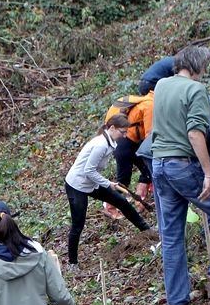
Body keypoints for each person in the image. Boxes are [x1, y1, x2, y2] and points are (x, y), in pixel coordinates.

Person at [151, 45, 210, 305]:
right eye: (206, 67)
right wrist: (206, 172)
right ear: (198, 66)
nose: (205, 72)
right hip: (182, 164)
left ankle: (177, 300)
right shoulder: (196, 90)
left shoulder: (162, 85)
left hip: (159, 166)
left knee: (170, 236)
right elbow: (194, 134)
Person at [64, 114, 151, 267]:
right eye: (122, 132)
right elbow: (89, 170)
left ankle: (147, 230)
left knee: (122, 202)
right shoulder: (101, 145)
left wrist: (105, 183)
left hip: (91, 182)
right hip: (77, 185)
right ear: (112, 128)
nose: (124, 136)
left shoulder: (109, 141)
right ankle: (72, 262)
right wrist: (107, 183)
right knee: (78, 224)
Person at [104, 93, 154, 192]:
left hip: (124, 139)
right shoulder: (150, 105)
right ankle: (110, 204)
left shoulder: (145, 100)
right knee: (123, 181)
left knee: (148, 173)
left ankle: (142, 201)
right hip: (126, 142)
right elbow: (150, 136)